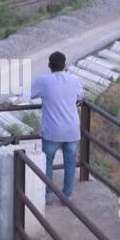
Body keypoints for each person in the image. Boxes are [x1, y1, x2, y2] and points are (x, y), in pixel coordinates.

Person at [29, 51, 84, 201]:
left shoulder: (44, 81)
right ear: (65, 65)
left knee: (47, 162)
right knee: (70, 163)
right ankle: (67, 195)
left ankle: (48, 195)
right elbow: (81, 96)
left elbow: (27, 94)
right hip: (72, 130)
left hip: (52, 131)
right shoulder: (74, 80)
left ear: (49, 65)